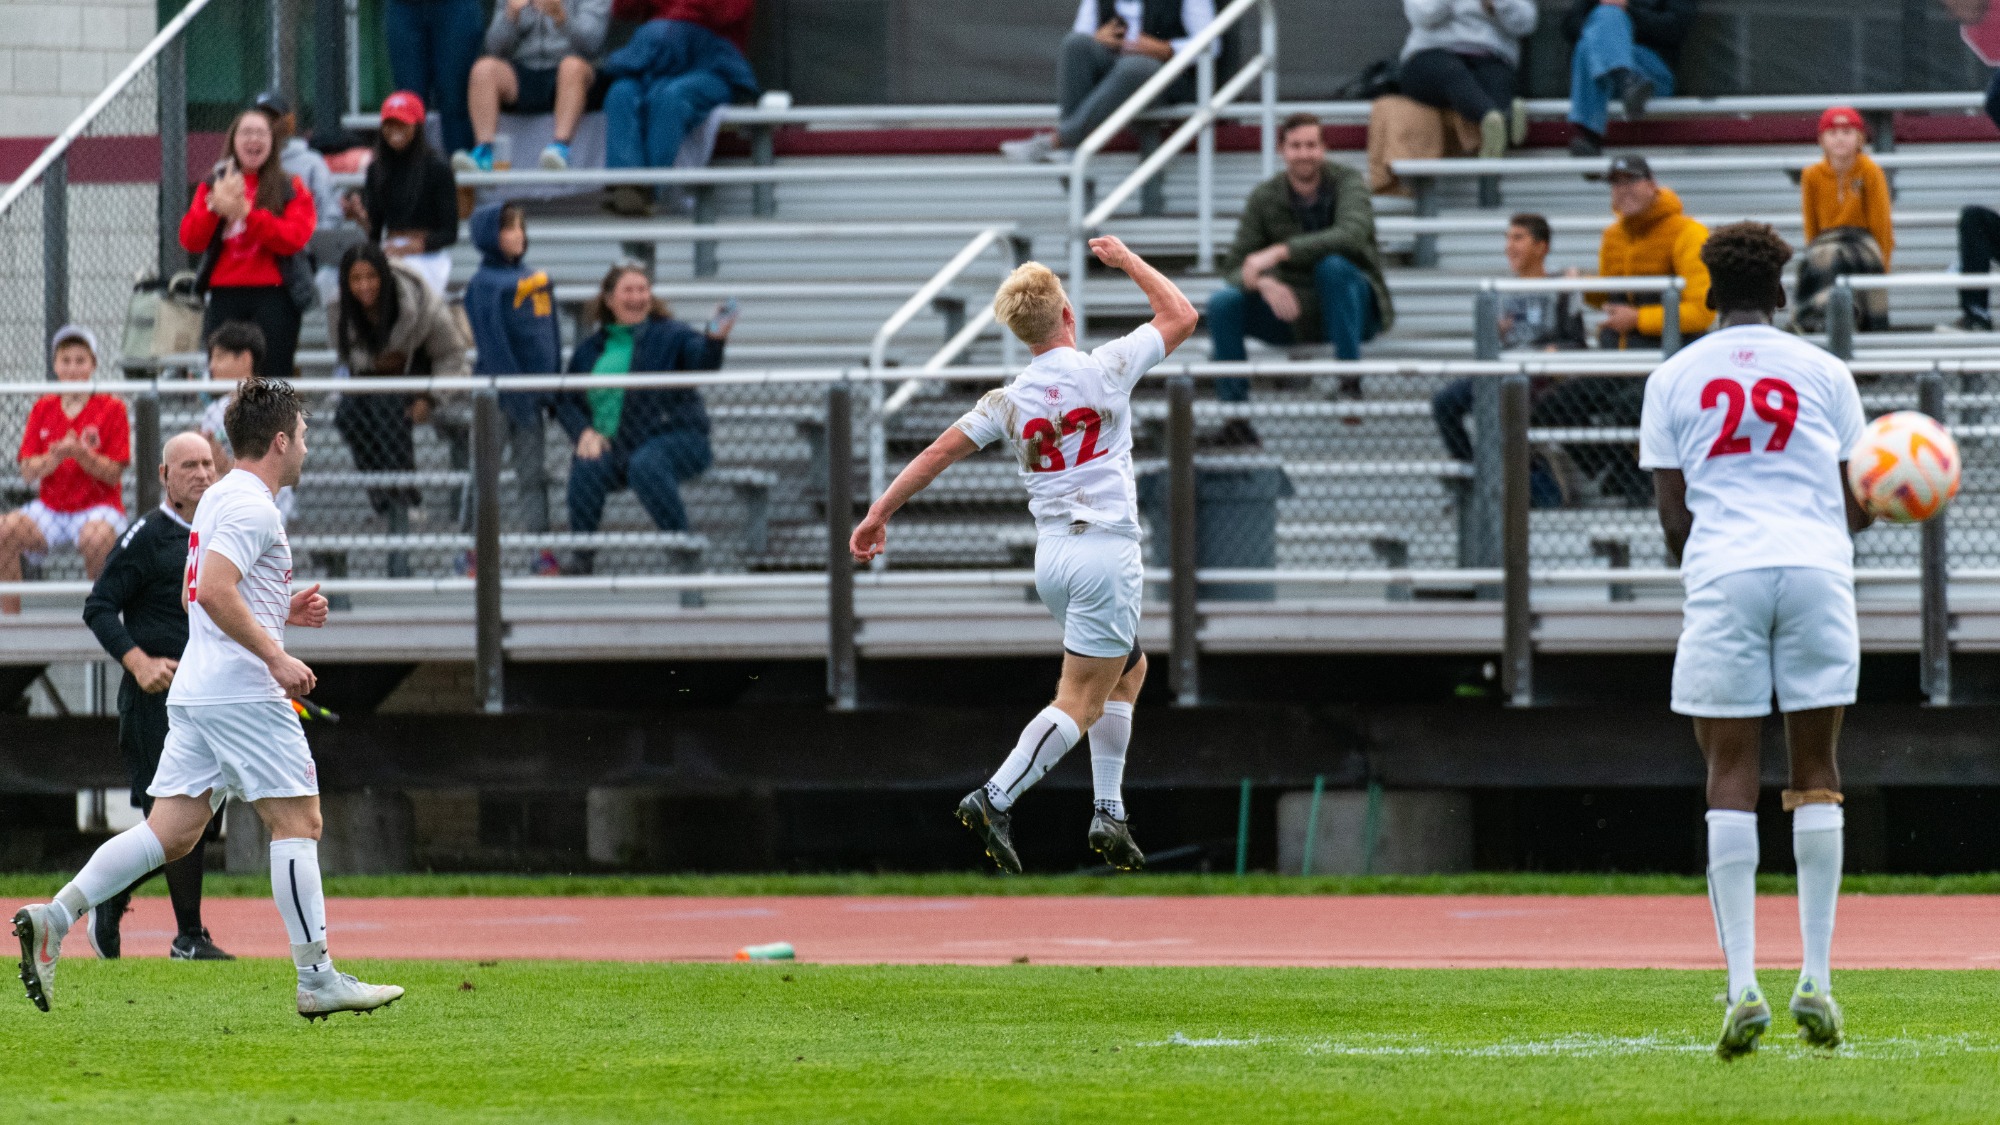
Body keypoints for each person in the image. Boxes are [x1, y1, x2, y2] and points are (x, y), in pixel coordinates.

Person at [14, 378, 405, 1019]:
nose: (306, 445)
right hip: (241, 692)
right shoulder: (253, 507)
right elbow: (216, 592)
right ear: (280, 441)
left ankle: (57, 916)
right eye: (302, 436)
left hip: (201, 688)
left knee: (170, 830)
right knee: (299, 823)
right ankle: (317, 978)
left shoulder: (222, 496)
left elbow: (217, 591)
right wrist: (275, 655)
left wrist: (282, 612)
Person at [850, 239, 1194, 874]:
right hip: (1105, 551)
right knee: (1080, 701)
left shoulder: (1006, 400)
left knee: (1130, 667)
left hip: (1054, 559)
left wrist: (878, 513)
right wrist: (1127, 261)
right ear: (1066, 312)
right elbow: (1180, 315)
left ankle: (1110, 812)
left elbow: (935, 456)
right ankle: (995, 796)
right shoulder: (1107, 366)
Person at [1637, 222, 1870, 1059]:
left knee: (1728, 772)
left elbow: (1672, 520)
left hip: (1727, 571)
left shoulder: (1672, 377)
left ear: (1707, 290)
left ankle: (1742, 986)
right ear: (1780, 291)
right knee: (1817, 772)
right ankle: (1817, 976)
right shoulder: (1825, 371)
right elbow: (1855, 503)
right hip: (1815, 569)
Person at [79, 432, 234, 962]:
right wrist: (138, 661)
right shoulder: (148, 535)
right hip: (155, 703)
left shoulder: (219, 532)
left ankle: (111, 898)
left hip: (207, 700)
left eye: (208, 463)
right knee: (168, 819)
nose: (201, 473)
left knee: (189, 822)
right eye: (187, 465)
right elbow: (99, 606)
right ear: (165, 477)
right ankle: (188, 936)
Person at [1537, 154, 1710, 503]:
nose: (1623, 190)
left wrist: (1639, 320)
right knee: (1550, 408)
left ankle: (1634, 481)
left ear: (1652, 185)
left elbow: (1702, 311)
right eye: (1616, 183)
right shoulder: (1612, 235)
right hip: (1616, 359)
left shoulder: (1688, 232)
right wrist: (1584, 285)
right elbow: (1609, 293)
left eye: (1631, 181)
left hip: (1667, 363)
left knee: (1627, 408)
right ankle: (1617, 472)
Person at [1209, 113, 1394, 404]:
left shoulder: (1348, 181)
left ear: (1323, 148)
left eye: (1311, 145)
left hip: (1354, 309)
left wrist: (1281, 251)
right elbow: (1235, 267)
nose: (1304, 153)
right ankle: (1236, 420)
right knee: (1223, 303)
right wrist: (1264, 283)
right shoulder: (1264, 196)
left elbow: (1352, 234)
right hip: (1292, 313)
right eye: (1296, 146)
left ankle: (1350, 386)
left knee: (1332, 267)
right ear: (1281, 150)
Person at [554, 264, 732, 566]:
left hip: (676, 438)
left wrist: (715, 339)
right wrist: (584, 432)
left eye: (643, 289)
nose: (637, 297)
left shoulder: (672, 334)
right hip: (616, 445)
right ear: (609, 300)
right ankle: (582, 558)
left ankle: (685, 555)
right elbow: (566, 400)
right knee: (587, 465)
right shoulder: (589, 351)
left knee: (646, 464)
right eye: (628, 290)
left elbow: (702, 359)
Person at [1432, 214, 1584, 504]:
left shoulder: (1562, 286)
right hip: (1502, 369)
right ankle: (1476, 473)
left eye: (1518, 238)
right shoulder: (1498, 292)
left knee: (1497, 403)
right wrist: (1495, 334)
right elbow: (1485, 350)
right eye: (1507, 238)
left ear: (1541, 247)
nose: (1509, 246)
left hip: (1538, 372)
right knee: (1445, 402)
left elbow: (1576, 343)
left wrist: (1554, 352)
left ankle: (1535, 489)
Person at [330, 243, 472, 543]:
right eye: (356, 279)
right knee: (348, 417)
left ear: (383, 276)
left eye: (371, 277)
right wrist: (375, 363)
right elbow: (348, 357)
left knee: (387, 408)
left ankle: (407, 500)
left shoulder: (419, 301)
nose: (364, 286)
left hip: (423, 379)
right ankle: (383, 500)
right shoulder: (339, 308)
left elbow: (453, 356)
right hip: (370, 383)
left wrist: (431, 397)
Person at [0, 327, 130, 615]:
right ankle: (9, 623)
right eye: (66, 360)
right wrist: (55, 457)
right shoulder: (43, 407)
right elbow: (27, 471)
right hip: (52, 508)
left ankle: (100, 617)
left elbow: (113, 473)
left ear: (93, 365)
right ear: (55, 365)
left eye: (80, 360)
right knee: (4, 529)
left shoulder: (111, 407)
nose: (72, 368)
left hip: (98, 507)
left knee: (95, 538)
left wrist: (81, 455)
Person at [180, 105, 317, 378]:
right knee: (225, 379)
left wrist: (247, 214)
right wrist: (215, 208)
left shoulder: (290, 185)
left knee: (273, 379)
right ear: (233, 140)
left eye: (261, 133)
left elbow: (295, 238)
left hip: (275, 293)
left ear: (272, 142)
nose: (253, 140)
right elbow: (190, 240)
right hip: (224, 292)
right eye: (246, 133)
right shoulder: (213, 183)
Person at [463, 203, 563, 572]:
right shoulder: (483, 285)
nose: (517, 234)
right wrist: (518, 394)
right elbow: (494, 347)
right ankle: (469, 550)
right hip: (497, 399)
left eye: (521, 226)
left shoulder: (536, 277)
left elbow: (550, 337)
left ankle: (542, 550)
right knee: (483, 475)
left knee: (533, 475)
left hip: (533, 398)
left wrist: (551, 387)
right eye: (508, 228)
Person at [999, 0, 1218, 164]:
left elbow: (1213, 44)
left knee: (1135, 66)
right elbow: (1081, 37)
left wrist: (1165, 49)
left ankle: (1060, 142)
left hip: (1167, 84)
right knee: (1075, 45)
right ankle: (1071, 158)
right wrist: (1098, 38)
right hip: (1114, 79)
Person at [598, 10, 761, 216]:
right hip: (654, 62)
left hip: (711, 68)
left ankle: (647, 192)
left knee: (673, 97)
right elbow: (623, 7)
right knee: (620, 92)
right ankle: (626, 187)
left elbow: (724, 12)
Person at [459, 0, 615, 172]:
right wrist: (511, 16)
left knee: (571, 67)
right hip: (524, 69)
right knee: (484, 69)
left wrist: (562, 17)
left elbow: (593, 43)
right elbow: (493, 47)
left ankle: (560, 149)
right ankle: (484, 152)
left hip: (575, 71)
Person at [345, 92, 459, 297]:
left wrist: (414, 246)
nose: (394, 130)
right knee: (334, 279)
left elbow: (450, 232)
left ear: (417, 126)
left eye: (402, 123)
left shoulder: (437, 167)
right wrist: (361, 218)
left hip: (427, 254)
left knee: (402, 282)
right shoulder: (376, 170)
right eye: (389, 124)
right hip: (390, 248)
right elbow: (375, 231)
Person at [1794, 105, 1893, 334]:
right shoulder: (1811, 175)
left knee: (1838, 257)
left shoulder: (1870, 171)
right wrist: (1813, 251)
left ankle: (1849, 324)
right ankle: (1816, 322)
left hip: (1861, 242)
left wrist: (1883, 265)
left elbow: (1882, 225)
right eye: (1833, 133)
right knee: (1824, 256)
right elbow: (1812, 226)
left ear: (1860, 139)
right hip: (1826, 243)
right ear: (1821, 140)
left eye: (1847, 132)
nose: (1840, 139)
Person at [1396, 0, 1537, 159]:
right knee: (1452, 75)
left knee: (1493, 77)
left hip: (1490, 57)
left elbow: (1526, 24)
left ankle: (1495, 116)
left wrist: (1498, 4)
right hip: (1432, 54)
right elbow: (1422, 15)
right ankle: (1503, 115)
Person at [1561, 0, 1696, 156]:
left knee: (1597, 32)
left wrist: (1627, 11)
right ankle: (1626, 78)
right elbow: (1569, 26)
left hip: (1651, 76)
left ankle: (1591, 134)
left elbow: (1674, 28)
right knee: (1597, 29)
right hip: (1612, 81)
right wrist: (1604, 27)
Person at [200, 323, 297, 524]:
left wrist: (226, 465)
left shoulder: (273, 406)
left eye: (219, 357)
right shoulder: (213, 411)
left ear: (245, 358)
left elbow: (271, 471)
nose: (212, 367)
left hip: (269, 505)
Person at [385, 0, 484, 157]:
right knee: (407, 104)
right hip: (403, 6)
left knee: (455, 99)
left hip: (456, 7)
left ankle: (461, 179)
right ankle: (409, 178)